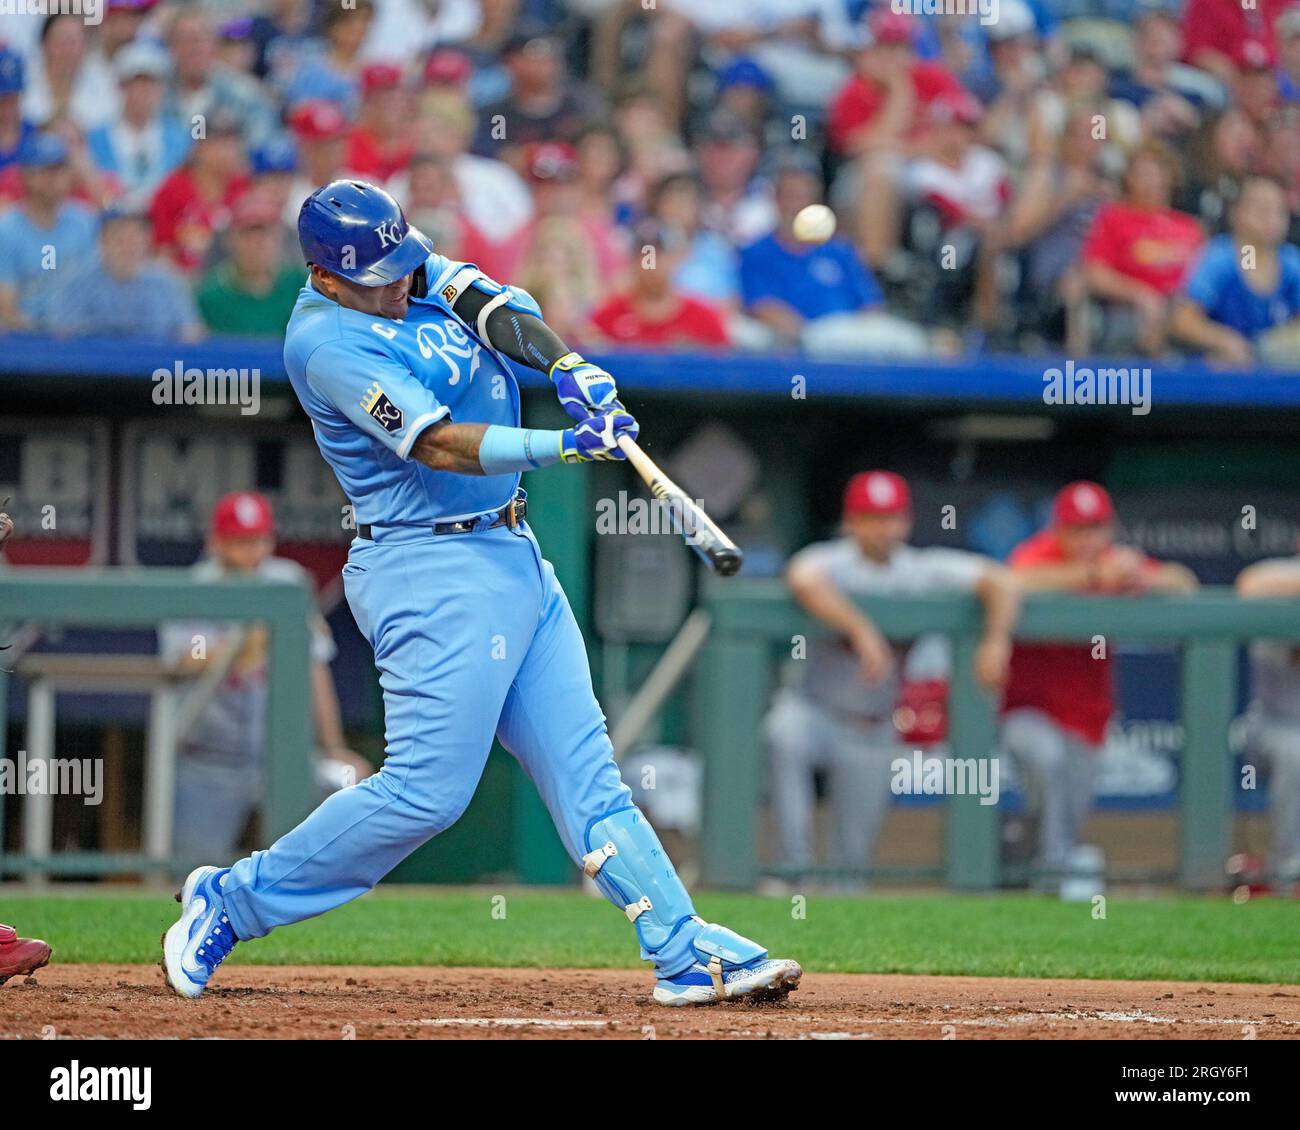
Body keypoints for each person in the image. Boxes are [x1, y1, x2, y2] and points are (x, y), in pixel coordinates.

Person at [161, 180, 801, 1008]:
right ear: (324, 276)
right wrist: (567, 445)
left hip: (511, 554)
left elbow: (492, 302)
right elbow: (438, 446)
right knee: (428, 794)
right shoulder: (327, 342)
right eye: (378, 276)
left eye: (401, 263)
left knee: (588, 776)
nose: (400, 282)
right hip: (428, 570)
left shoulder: (397, 265)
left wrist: (567, 364)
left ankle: (682, 949)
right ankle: (232, 900)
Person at [764, 470, 1019, 884]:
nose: (885, 528)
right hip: (815, 708)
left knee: (853, 863)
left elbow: (1001, 580)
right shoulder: (833, 560)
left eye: (893, 517)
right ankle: (793, 869)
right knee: (783, 733)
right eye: (873, 518)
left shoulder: (917, 569)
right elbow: (802, 577)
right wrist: (863, 631)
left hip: (872, 724)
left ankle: (839, 909)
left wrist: (996, 640)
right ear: (851, 522)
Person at [1001, 481, 1198, 888]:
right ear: (1058, 529)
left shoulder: (1118, 561)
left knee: (1070, 805)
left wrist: (1146, 578)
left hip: (1086, 713)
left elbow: (1185, 582)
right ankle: (1050, 871)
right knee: (1047, 760)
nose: (1089, 540)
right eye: (1078, 530)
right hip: (1027, 708)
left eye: (1096, 529)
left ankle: (1036, 875)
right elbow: (1013, 581)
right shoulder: (1039, 555)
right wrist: (1090, 574)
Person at [158, 491, 371, 863]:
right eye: (240, 542)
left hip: (282, 757)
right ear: (215, 542)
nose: (251, 551)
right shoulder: (195, 587)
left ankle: (345, 907)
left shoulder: (287, 582)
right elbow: (183, 659)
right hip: (209, 761)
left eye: (258, 540)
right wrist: (243, 645)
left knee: (351, 782)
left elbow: (315, 669)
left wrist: (333, 745)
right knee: (189, 875)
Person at [740, 153, 928, 357]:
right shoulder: (756, 253)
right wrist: (805, 336)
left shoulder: (840, 250)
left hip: (852, 339)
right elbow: (762, 307)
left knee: (913, 341)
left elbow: (870, 305)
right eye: (791, 197)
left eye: (805, 197)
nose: (798, 206)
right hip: (805, 340)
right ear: (776, 200)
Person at [1170, 175, 1300, 366]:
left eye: (1280, 211)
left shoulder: (1291, 261)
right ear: (1237, 213)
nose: (1272, 219)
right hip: (1219, 366)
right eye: (1262, 210)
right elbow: (1183, 320)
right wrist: (1222, 339)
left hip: (1273, 366)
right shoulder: (1220, 258)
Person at [1236, 535, 1300, 887]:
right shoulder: (1278, 574)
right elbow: (1248, 586)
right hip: (1274, 725)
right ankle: (1290, 874)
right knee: (1296, 752)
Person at [53, 207, 203, 339]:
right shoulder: (78, 282)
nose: (129, 243)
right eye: (120, 234)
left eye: (137, 234)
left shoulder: (167, 283)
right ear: (102, 239)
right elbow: (63, 334)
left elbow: (190, 332)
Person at [0, 131, 98, 330]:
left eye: (61, 170)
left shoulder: (85, 221)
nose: (57, 179)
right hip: (25, 343)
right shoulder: (7, 230)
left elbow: (96, 289)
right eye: (47, 171)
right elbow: (6, 307)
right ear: (27, 176)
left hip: (81, 338)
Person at [588, 220, 730, 348]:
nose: (651, 265)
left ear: (674, 259)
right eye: (643, 256)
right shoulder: (608, 316)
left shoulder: (704, 317)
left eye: (658, 256)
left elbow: (725, 364)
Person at [196, 192, 303, 337]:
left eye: (266, 233)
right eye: (248, 235)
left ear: (279, 238)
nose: (258, 243)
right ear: (231, 240)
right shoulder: (211, 295)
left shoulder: (299, 286)